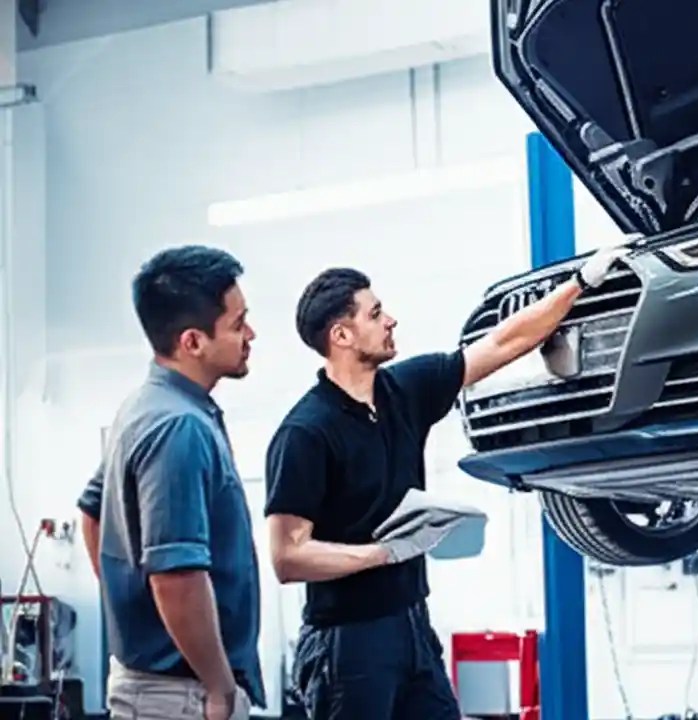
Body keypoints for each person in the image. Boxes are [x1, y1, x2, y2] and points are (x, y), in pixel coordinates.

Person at [263, 243, 628, 719]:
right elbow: (288, 557)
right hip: (347, 642)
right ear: (342, 335)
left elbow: (503, 343)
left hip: (412, 625)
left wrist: (580, 283)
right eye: (375, 314)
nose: (390, 320)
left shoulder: (403, 391)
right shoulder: (306, 433)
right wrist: (384, 553)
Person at [76, 245, 264, 720]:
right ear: (193, 342)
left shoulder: (146, 406)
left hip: (162, 686)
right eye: (238, 324)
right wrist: (219, 688)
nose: (251, 334)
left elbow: (91, 511)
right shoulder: (178, 427)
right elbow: (177, 578)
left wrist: (131, 600)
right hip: (183, 694)